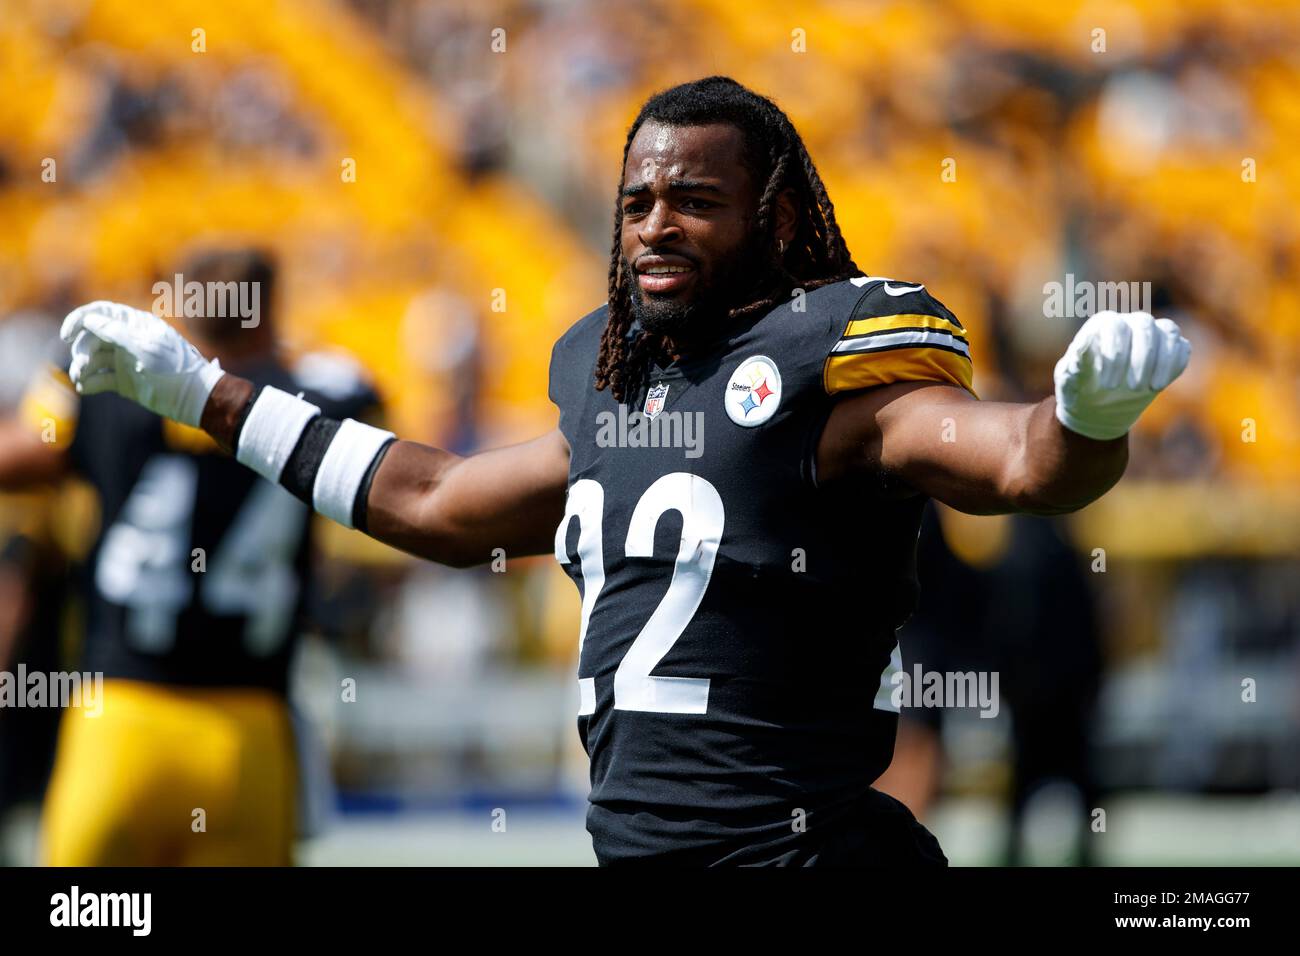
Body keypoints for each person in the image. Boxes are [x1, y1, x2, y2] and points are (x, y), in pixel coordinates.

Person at [57, 77, 1190, 867]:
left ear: (777, 215)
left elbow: (1022, 466)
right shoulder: (609, 387)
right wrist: (200, 394)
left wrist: (1083, 413)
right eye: (637, 201)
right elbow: (436, 501)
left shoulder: (831, 362)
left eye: (695, 200)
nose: (656, 226)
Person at [0, 249, 379, 865]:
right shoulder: (323, 396)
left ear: (183, 305)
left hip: (119, 724)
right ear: (268, 307)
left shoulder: (107, 387)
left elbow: (18, 459)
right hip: (248, 734)